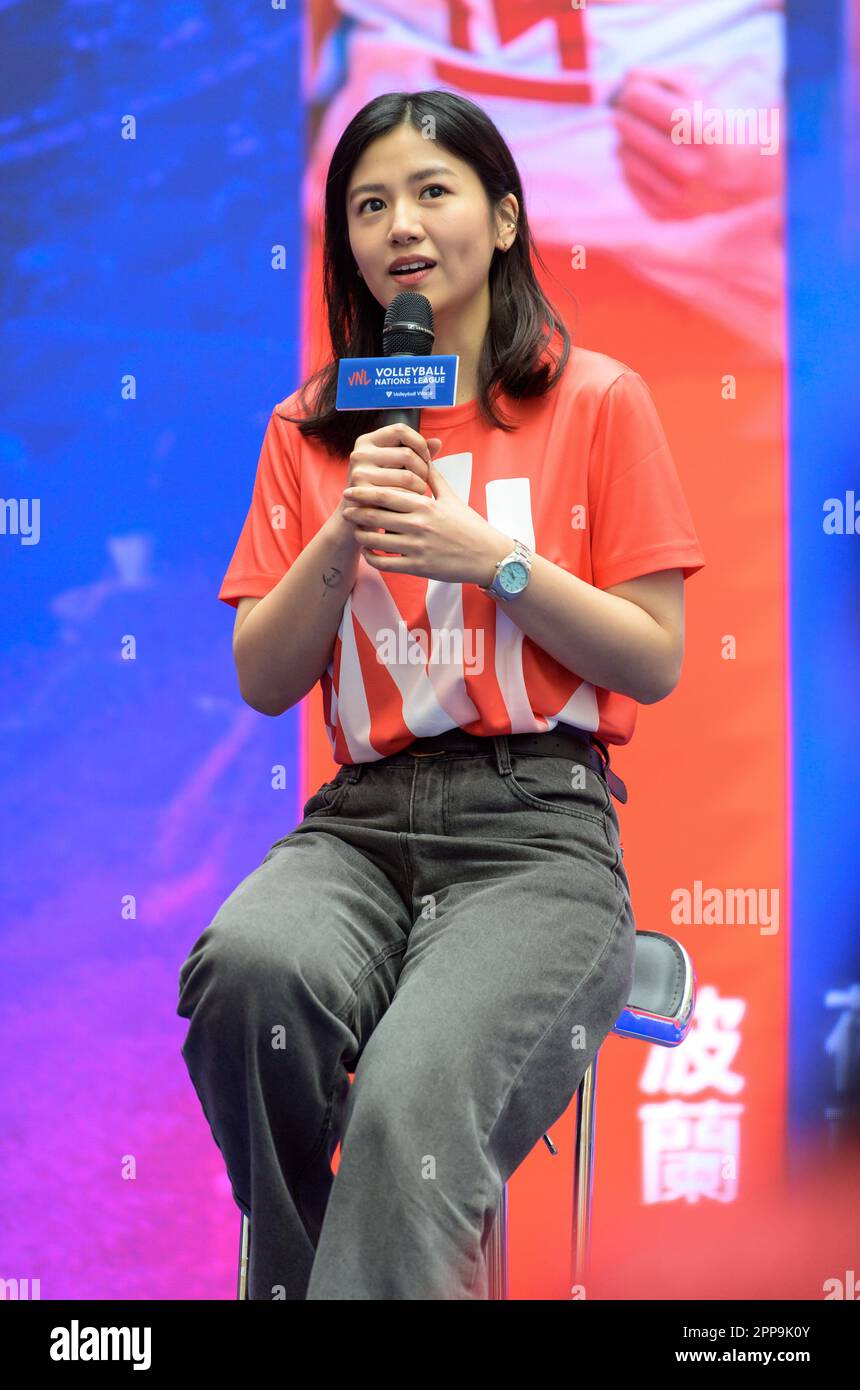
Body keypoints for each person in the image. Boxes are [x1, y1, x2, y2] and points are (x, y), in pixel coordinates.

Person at [176, 89, 706, 1301]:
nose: (399, 225)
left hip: (536, 834)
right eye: (368, 204)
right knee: (252, 971)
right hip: (357, 828)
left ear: (504, 218)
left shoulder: (595, 399)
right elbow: (265, 680)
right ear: (346, 244)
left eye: (431, 191)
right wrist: (343, 534)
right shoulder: (310, 428)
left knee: (409, 1108)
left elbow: (655, 656)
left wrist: (493, 560)